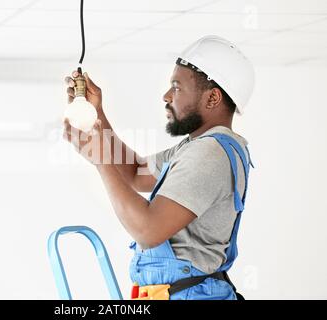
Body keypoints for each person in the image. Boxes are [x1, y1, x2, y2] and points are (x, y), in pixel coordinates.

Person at [63, 35, 255, 300]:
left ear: (212, 98)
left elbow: (148, 230)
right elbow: (134, 171)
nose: (166, 96)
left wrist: (101, 161)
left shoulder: (209, 153)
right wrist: (98, 114)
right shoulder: (197, 147)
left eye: (176, 87)